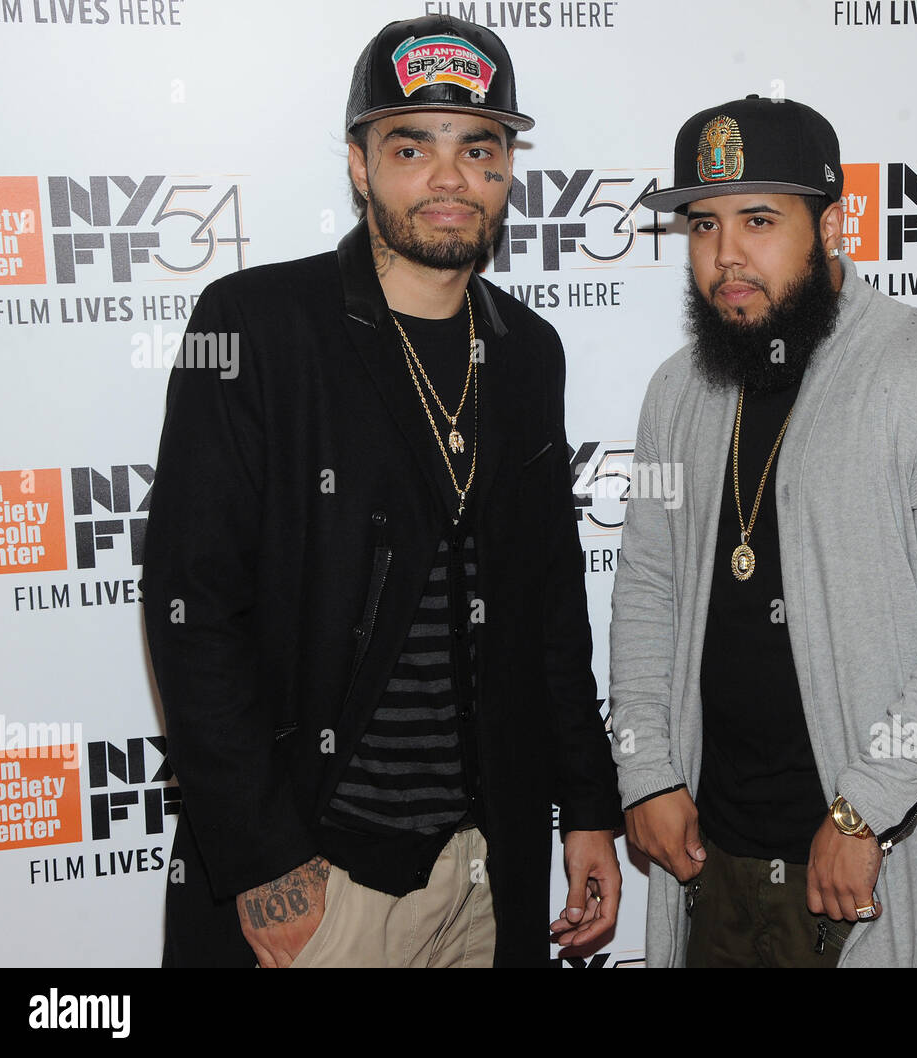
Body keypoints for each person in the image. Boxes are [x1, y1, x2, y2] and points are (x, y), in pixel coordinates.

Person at [142, 14, 621, 968]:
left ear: (508, 169)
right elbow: (191, 611)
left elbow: (551, 612)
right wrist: (266, 863)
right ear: (360, 166)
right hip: (320, 878)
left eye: (478, 147)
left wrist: (591, 810)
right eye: (412, 145)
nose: (449, 178)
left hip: (488, 872)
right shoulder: (254, 326)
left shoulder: (528, 352)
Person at [608, 95, 917, 967]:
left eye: (759, 220)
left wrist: (863, 808)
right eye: (703, 225)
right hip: (709, 863)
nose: (726, 256)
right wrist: (647, 766)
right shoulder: (676, 391)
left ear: (832, 222)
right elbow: (647, 581)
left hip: (863, 867)